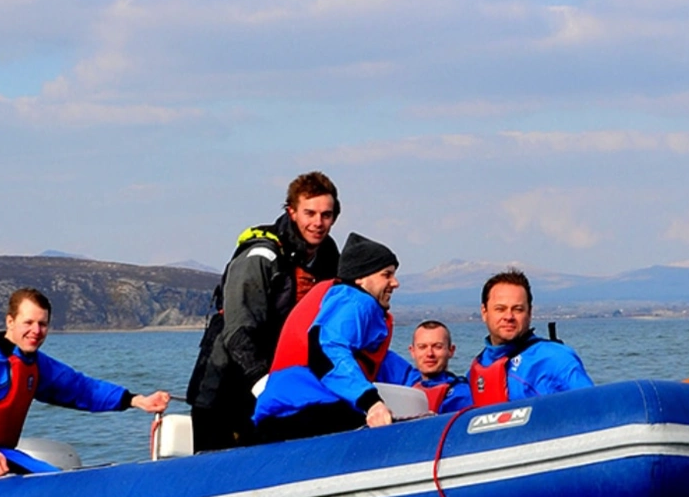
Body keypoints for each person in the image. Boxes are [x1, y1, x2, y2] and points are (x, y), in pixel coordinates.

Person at [0, 287, 170, 482]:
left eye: (43, 324)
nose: (36, 331)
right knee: (53, 482)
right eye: (28, 322)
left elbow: (80, 388)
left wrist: (135, 400)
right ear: (10, 321)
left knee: (55, 477)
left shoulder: (31, 363)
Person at [186, 171, 341, 451]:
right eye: (310, 213)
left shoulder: (328, 255)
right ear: (292, 212)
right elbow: (238, 332)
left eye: (326, 215)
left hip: (285, 382)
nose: (318, 223)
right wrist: (266, 386)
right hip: (226, 388)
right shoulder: (260, 257)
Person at [253, 233, 413, 443]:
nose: (395, 283)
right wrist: (371, 402)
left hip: (284, 412)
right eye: (387, 274)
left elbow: (383, 365)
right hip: (306, 412)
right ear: (360, 277)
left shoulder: (342, 303)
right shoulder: (355, 300)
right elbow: (326, 349)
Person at [469, 270, 593, 405]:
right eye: (500, 309)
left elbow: (591, 407)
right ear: (484, 312)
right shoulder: (477, 370)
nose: (509, 317)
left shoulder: (555, 359)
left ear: (529, 313)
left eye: (518, 309)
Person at [407, 319, 473, 413]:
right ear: (412, 351)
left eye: (437, 347)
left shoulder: (461, 395)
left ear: (451, 351)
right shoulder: (409, 384)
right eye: (422, 347)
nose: (429, 353)